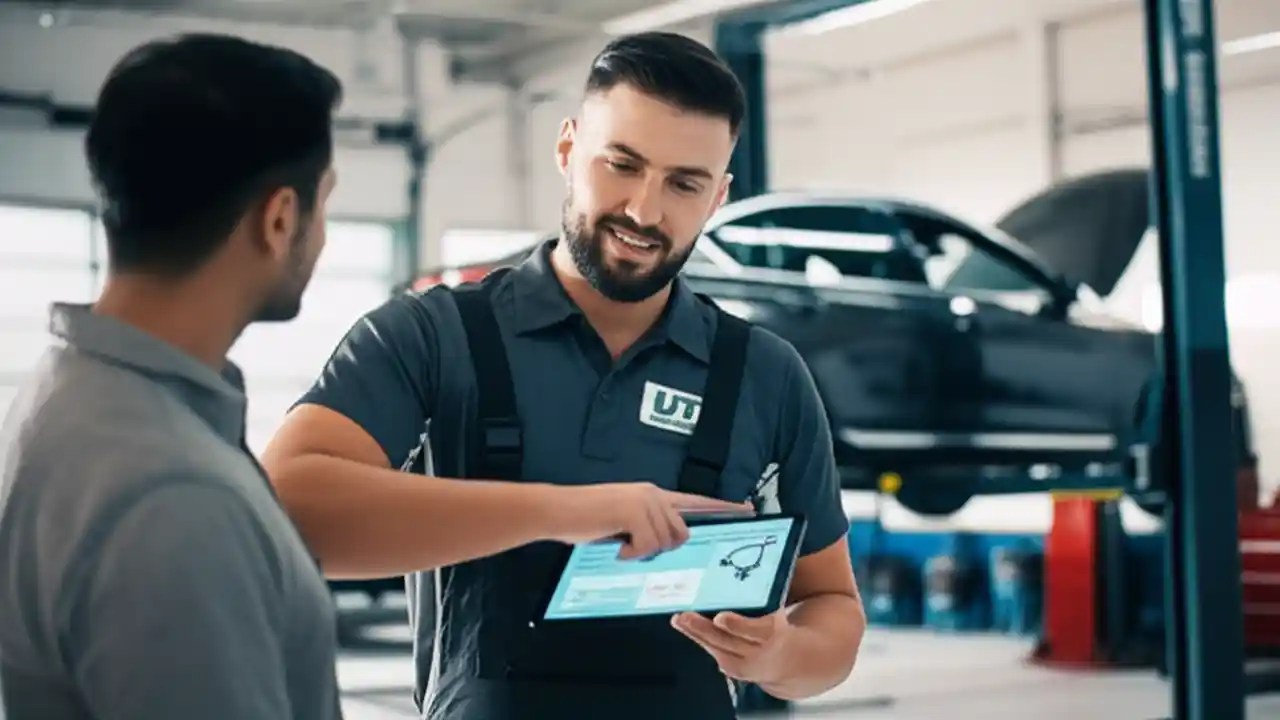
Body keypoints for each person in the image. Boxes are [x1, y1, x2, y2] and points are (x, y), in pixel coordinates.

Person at [263, 31, 866, 720]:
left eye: (683, 183)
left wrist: (780, 656)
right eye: (621, 165)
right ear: (567, 150)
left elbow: (833, 608)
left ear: (719, 195)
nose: (644, 210)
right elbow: (285, 505)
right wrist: (571, 511)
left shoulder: (764, 373)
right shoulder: (435, 337)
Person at [0, 34, 345, 720]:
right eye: (324, 202)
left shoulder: (68, 392)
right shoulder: (174, 496)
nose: (323, 231)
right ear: (279, 219)